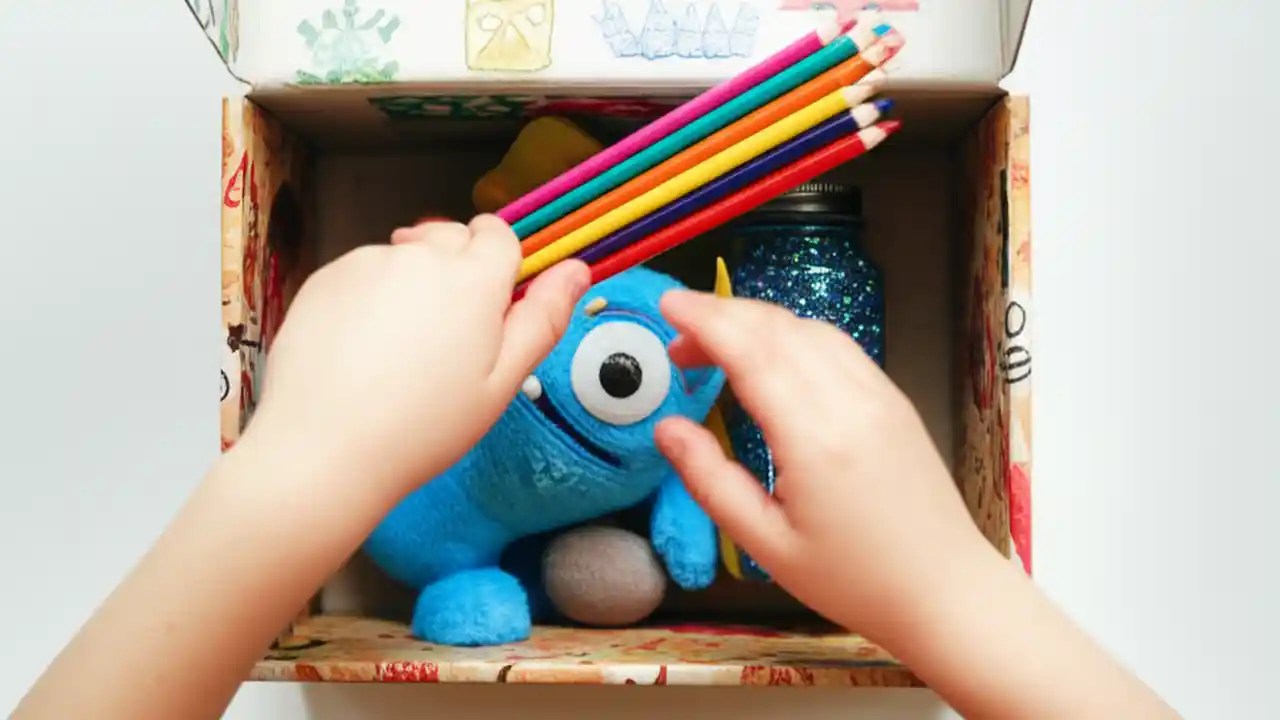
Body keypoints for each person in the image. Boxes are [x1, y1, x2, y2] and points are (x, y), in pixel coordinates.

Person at [13, 217, 1180, 719]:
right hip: (449, 532)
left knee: (601, 564)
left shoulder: (681, 421)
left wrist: (298, 469)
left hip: (521, 526)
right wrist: (952, 594)